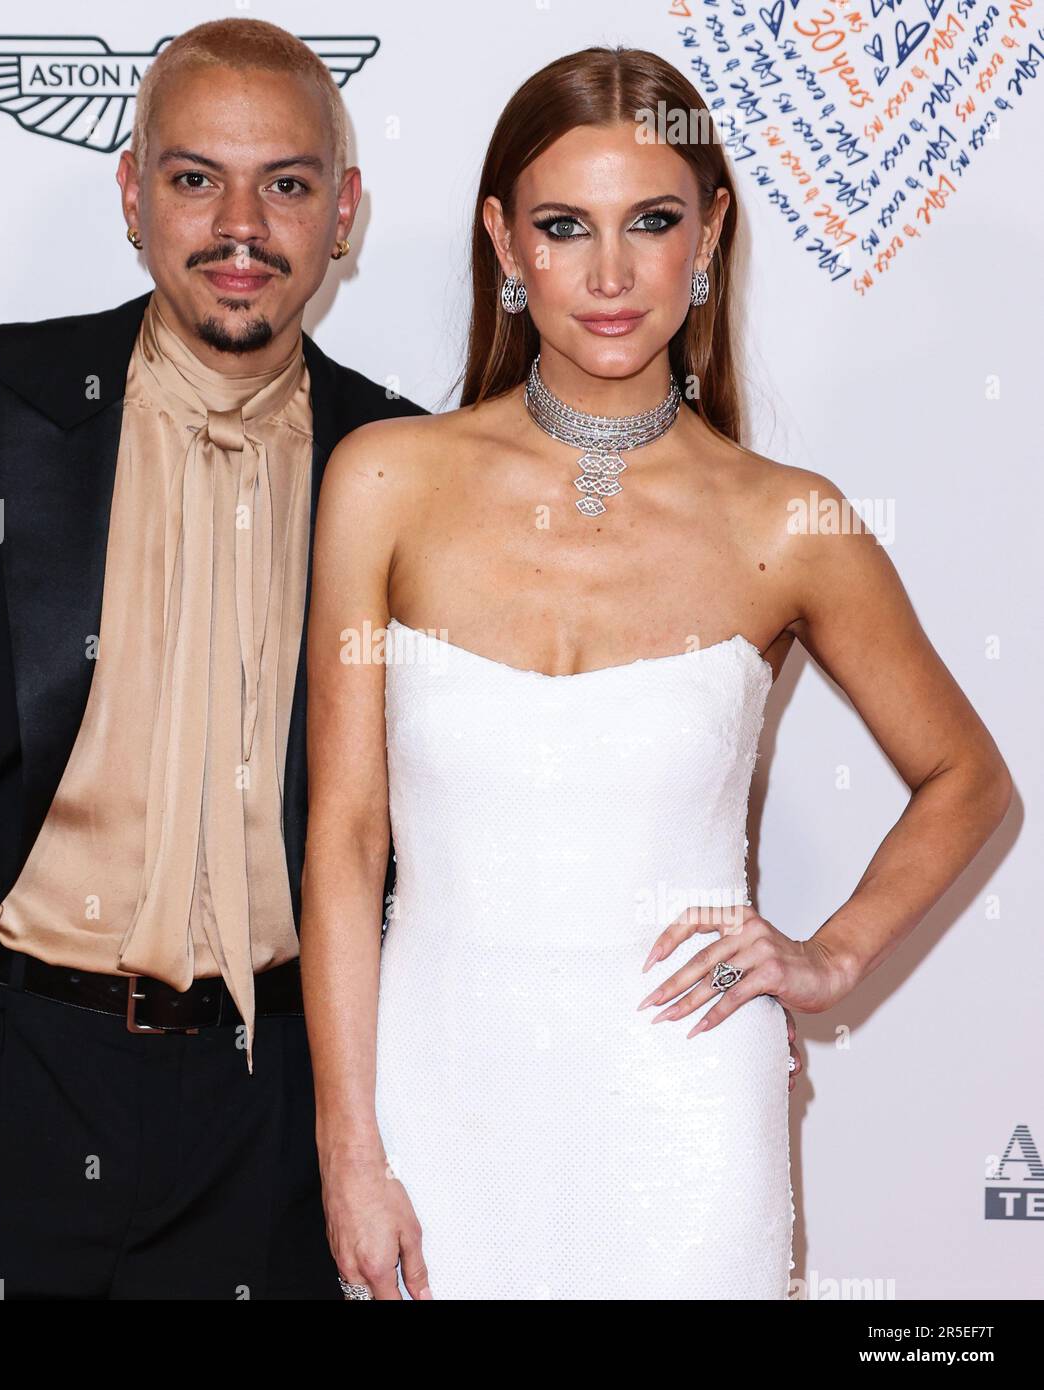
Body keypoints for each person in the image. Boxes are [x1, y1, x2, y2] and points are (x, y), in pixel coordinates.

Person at [301, 46, 1013, 1300]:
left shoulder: (790, 522)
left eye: (654, 222)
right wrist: (349, 1145)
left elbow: (967, 777)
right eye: (565, 227)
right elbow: (348, 836)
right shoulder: (381, 480)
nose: (613, 274)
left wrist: (830, 957)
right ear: (504, 243)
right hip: (434, 1101)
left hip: (684, 1116)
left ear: (712, 231)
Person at [0, 17, 425, 1299]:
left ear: (343, 210)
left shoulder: (401, 459)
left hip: (269, 1116)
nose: (239, 225)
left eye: (287, 184)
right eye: (196, 178)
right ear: (133, 192)